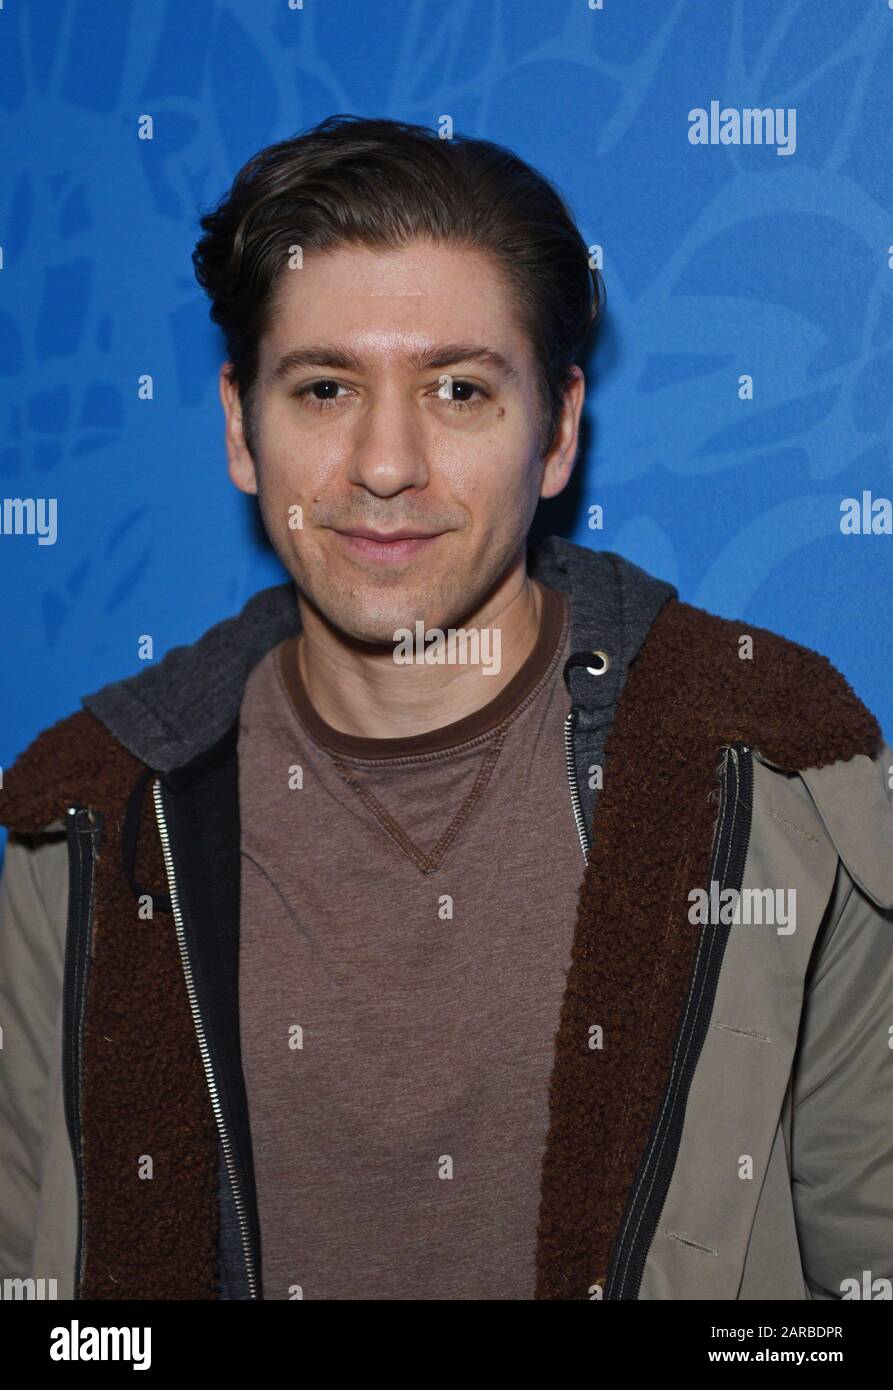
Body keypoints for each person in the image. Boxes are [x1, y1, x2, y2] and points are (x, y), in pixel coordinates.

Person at [1, 114, 891, 1302]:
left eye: (459, 388)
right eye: (323, 387)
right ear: (237, 426)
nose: (383, 463)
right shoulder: (92, 821)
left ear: (557, 428)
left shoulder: (772, 775)